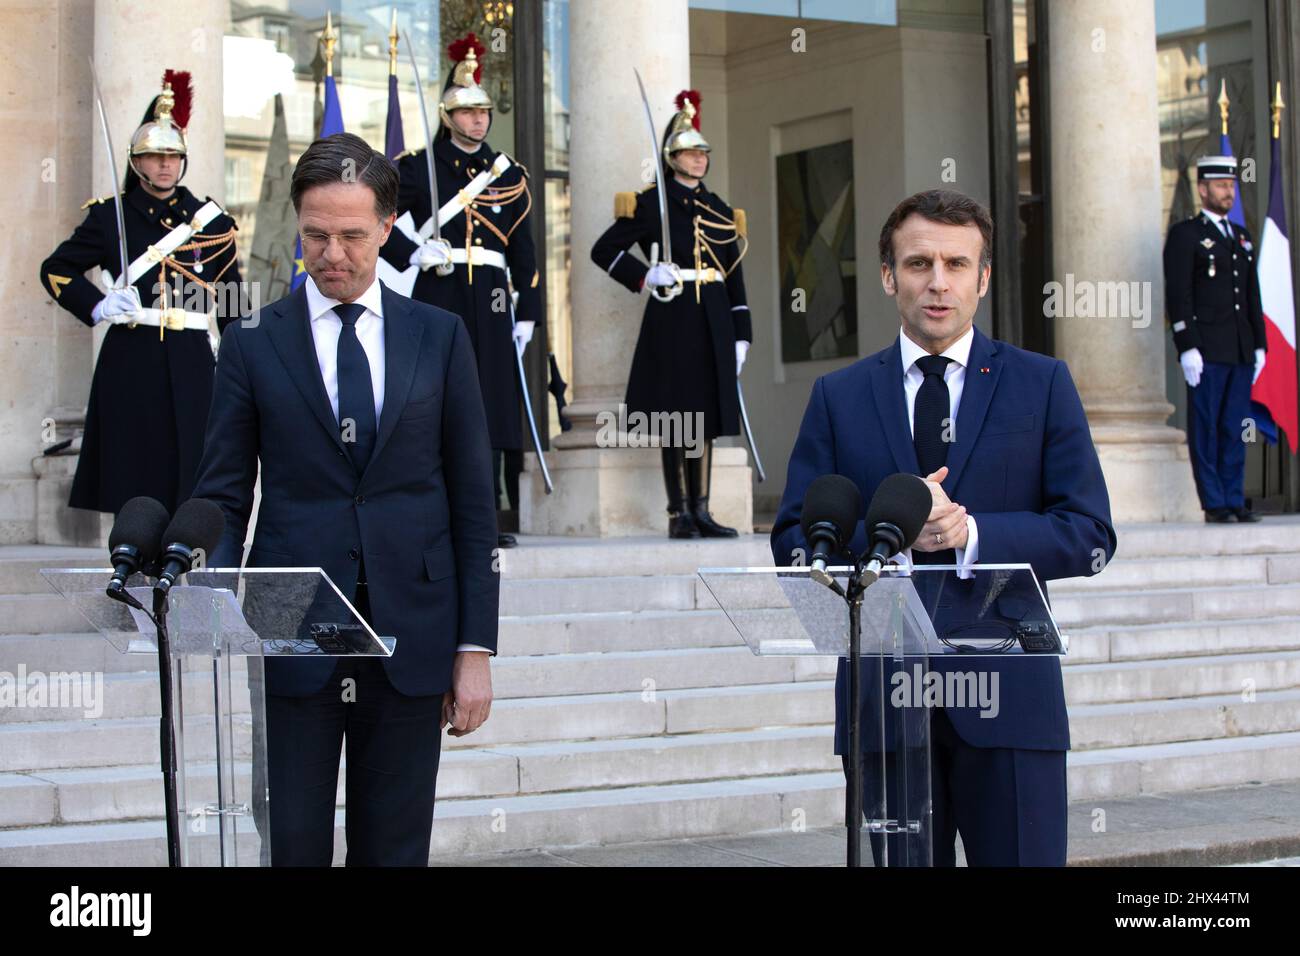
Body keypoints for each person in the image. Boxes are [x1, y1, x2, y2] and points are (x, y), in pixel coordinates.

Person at [770, 189, 1116, 866]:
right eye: (919, 261)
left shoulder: (1042, 385)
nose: (938, 281)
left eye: (957, 264)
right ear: (887, 275)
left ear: (983, 278)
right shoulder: (837, 398)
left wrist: (972, 534)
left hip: (1010, 701)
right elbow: (792, 537)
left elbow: (1088, 531)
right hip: (886, 708)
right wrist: (884, 533)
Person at [192, 132, 499, 866]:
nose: (333, 253)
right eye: (315, 236)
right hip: (291, 624)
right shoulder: (252, 342)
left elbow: (472, 503)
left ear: (388, 228)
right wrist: (212, 602)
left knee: (393, 850)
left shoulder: (442, 337)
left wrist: (475, 647)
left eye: (353, 236)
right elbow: (223, 496)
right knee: (292, 845)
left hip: (413, 633)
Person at [39, 71, 240, 516]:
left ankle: (186, 563)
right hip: (131, 353)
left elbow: (234, 304)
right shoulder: (110, 217)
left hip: (192, 356)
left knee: (194, 472)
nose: (165, 164)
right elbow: (56, 269)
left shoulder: (211, 221)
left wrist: (242, 369)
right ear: (136, 161)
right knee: (134, 470)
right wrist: (98, 303)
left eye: (173, 155)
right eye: (154, 156)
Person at [380, 33, 539, 549]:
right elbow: (372, 216)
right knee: (434, 401)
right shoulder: (418, 165)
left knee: (490, 403)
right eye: (467, 112)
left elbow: (524, 250)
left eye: (483, 112)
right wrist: (410, 252)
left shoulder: (508, 173)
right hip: (440, 291)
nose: (478, 120)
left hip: (493, 295)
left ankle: (486, 518)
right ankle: (435, 512)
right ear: (449, 116)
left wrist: (529, 311)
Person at [591, 90, 752, 539]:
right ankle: (678, 512)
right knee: (675, 415)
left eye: (702, 152)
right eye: (689, 152)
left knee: (705, 416)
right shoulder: (649, 205)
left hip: (714, 316)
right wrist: (646, 275)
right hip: (674, 313)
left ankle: (702, 510)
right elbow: (603, 249)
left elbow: (734, 275)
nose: (698, 159)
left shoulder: (720, 210)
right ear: (671, 156)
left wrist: (742, 333)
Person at [1163, 155, 1267, 523]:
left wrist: (1259, 344)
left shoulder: (1240, 236)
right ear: (1203, 189)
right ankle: (1215, 502)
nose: (1228, 192)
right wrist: (1186, 344)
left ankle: (1235, 497)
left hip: (1239, 349)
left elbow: (1251, 293)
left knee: (1234, 426)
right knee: (1206, 427)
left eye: (1231, 185)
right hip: (1206, 350)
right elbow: (1179, 294)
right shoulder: (1186, 235)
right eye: (1221, 186)